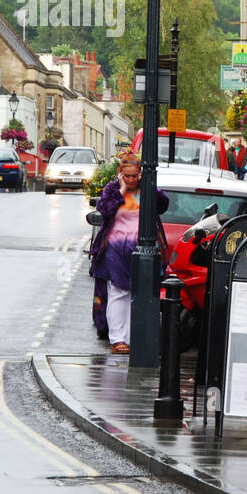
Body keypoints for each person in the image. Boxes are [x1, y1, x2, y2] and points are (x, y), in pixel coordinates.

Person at [88, 151, 169, 355]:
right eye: (127, 176)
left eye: (134, 176)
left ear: (140, 174)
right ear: (120, 173)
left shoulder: (148, 190)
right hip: (116, 247)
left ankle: (134, 339)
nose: (131, 180)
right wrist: (121, 190)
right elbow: (104, 210)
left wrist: (149, 184)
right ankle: (117, 340)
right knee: (118, 292)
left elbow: (162, 205)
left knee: (139, 292)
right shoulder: (112, 189)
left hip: (142, 246)